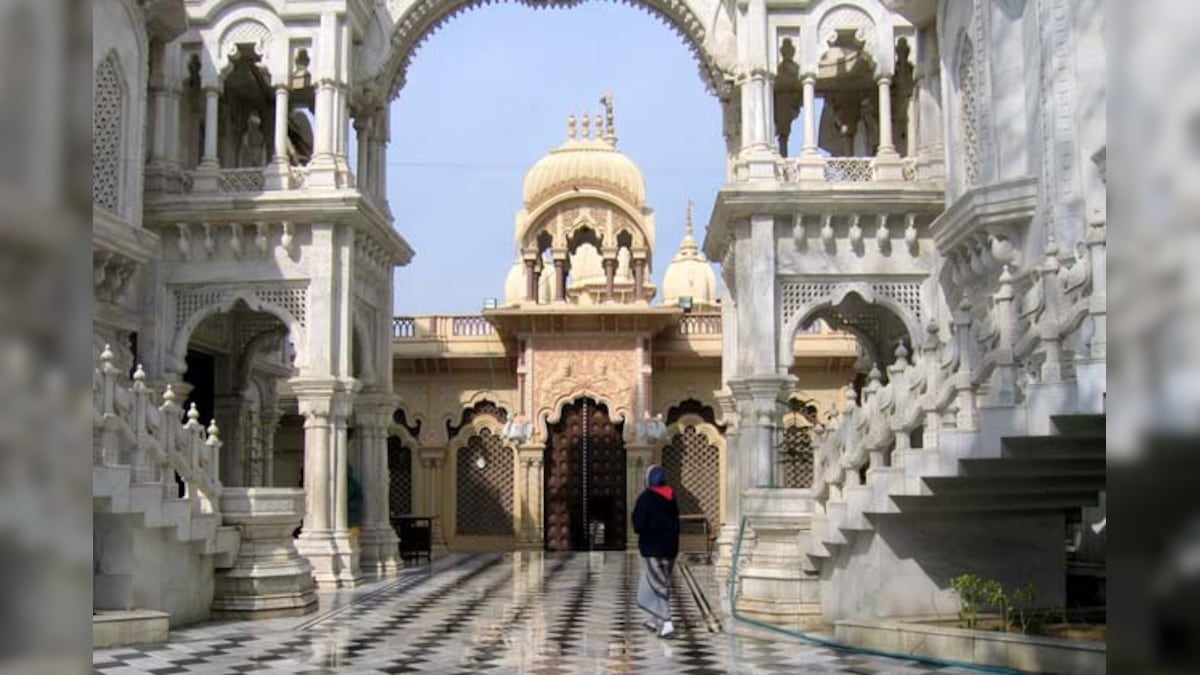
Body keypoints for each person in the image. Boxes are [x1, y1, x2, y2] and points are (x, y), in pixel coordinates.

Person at [632, 464, 681, 638]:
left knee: (659, 584)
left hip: (653, 548)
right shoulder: (671, 497)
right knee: (659, 581)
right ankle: (655, 620)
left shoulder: (646, 498)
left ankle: (667, 623)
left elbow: (638, 524)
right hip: (670, 548)